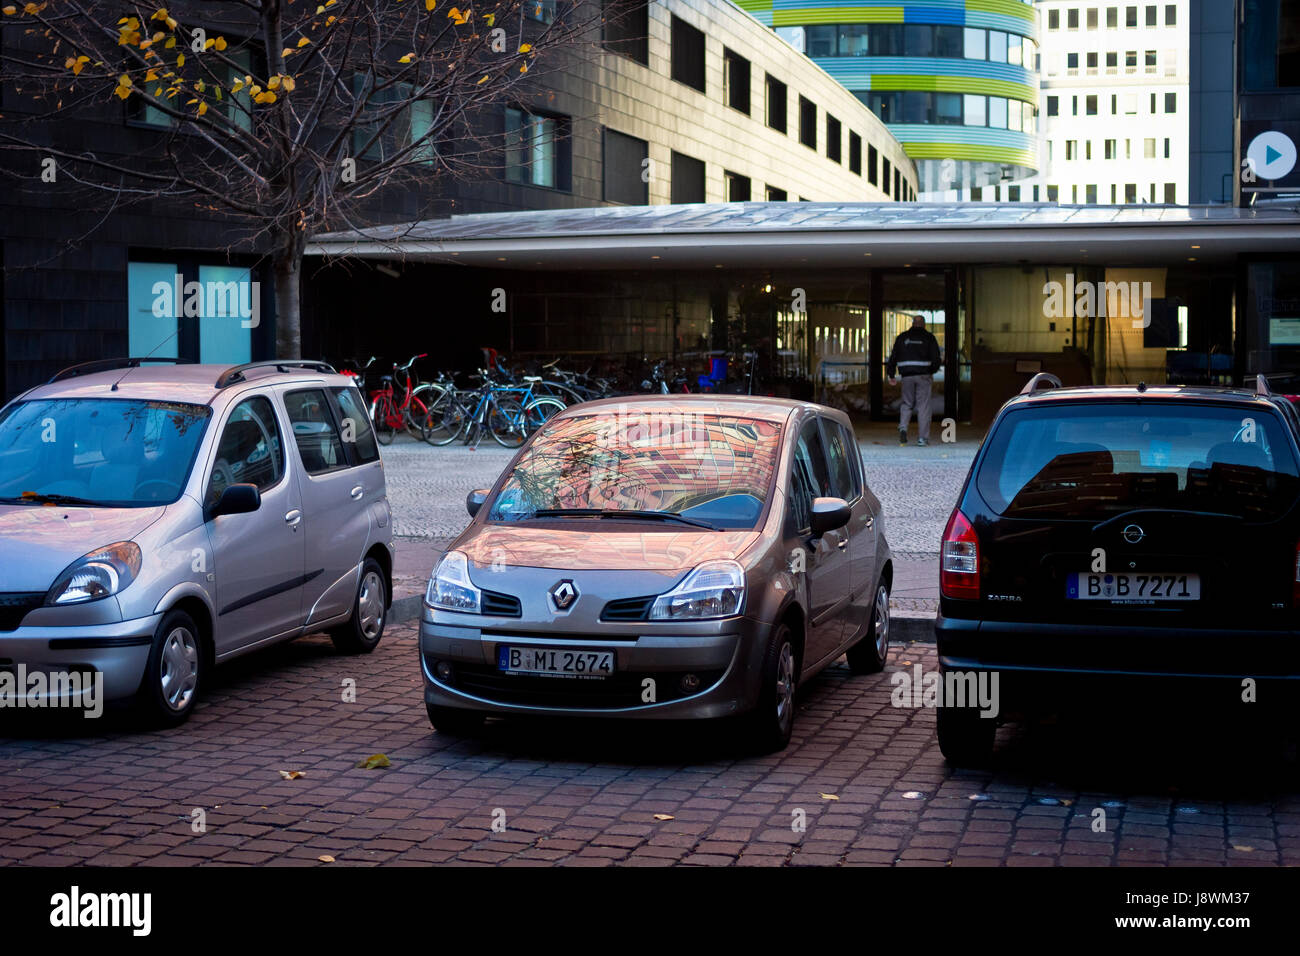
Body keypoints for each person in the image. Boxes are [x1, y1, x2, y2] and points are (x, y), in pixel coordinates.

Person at [886, 314, 942, 446]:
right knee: (923, 406)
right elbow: (936, 358)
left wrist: (891, 374)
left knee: (907, 403)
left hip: (907, 375)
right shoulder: (929, 338)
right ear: (924, 324)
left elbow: (893, 356)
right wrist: (932, 371)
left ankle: (903, 427)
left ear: (912, 323)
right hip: (924, 375)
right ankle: (922, 438)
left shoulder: (902, 337)